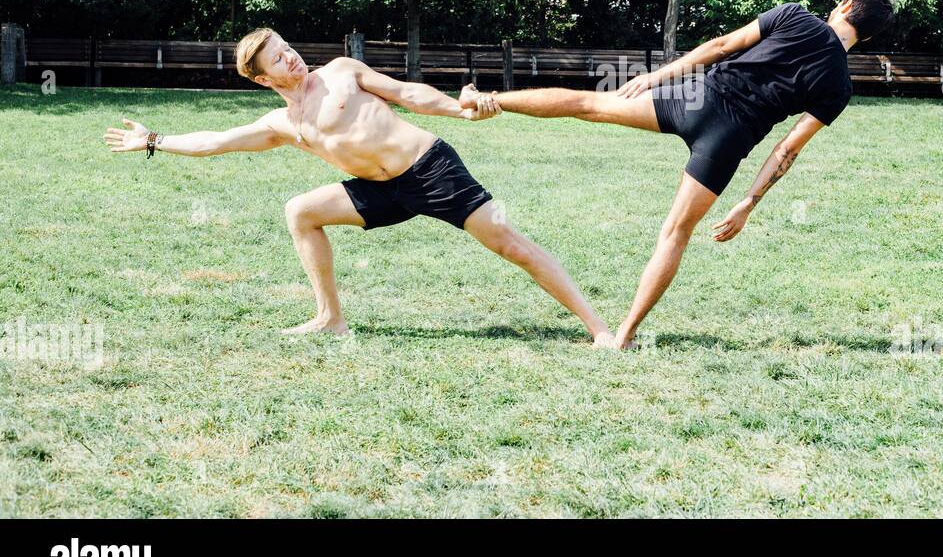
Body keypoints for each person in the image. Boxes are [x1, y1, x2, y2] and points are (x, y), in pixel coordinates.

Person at [103, 28, 613, 345]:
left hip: (431, 169)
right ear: (261, 78)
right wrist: (155, 140)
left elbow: (407, 93)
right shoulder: (283, 124)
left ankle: (601, 330)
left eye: (289, 49)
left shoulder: (343, 72)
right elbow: (216, 141)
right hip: (380, 190)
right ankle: (330, 318)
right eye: (279, 59)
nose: (293, 59)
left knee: (510, 244)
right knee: (301, 210)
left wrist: (459, 106)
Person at [460, 0, 895, 349]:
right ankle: (624, 337)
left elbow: (721, 47)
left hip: (695, 98)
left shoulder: (795, 15)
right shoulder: (839, 86)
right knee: (675, 233)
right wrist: (747, 203)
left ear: (843, 6)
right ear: (868, 37)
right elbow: (786, 150)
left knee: (589, 105)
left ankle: (489, 99)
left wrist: (657, 76)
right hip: (728, 140)